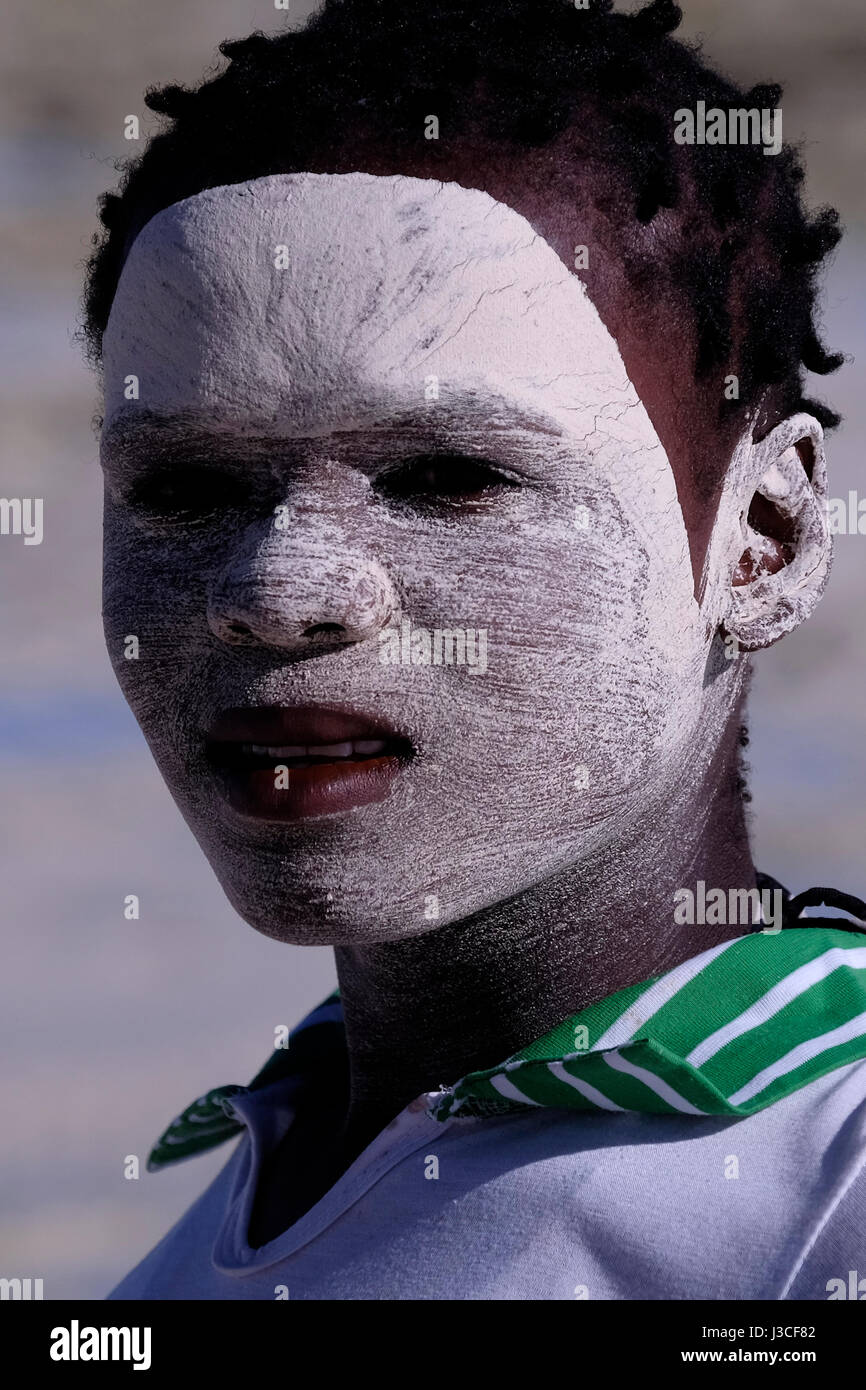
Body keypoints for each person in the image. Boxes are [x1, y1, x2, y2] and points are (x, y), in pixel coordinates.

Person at [86, 0, 866, 1300]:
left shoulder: (823, 1174)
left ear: (761, 541)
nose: (278, 591)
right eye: (183, 487)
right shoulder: (226, 1220)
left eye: (447, 474)